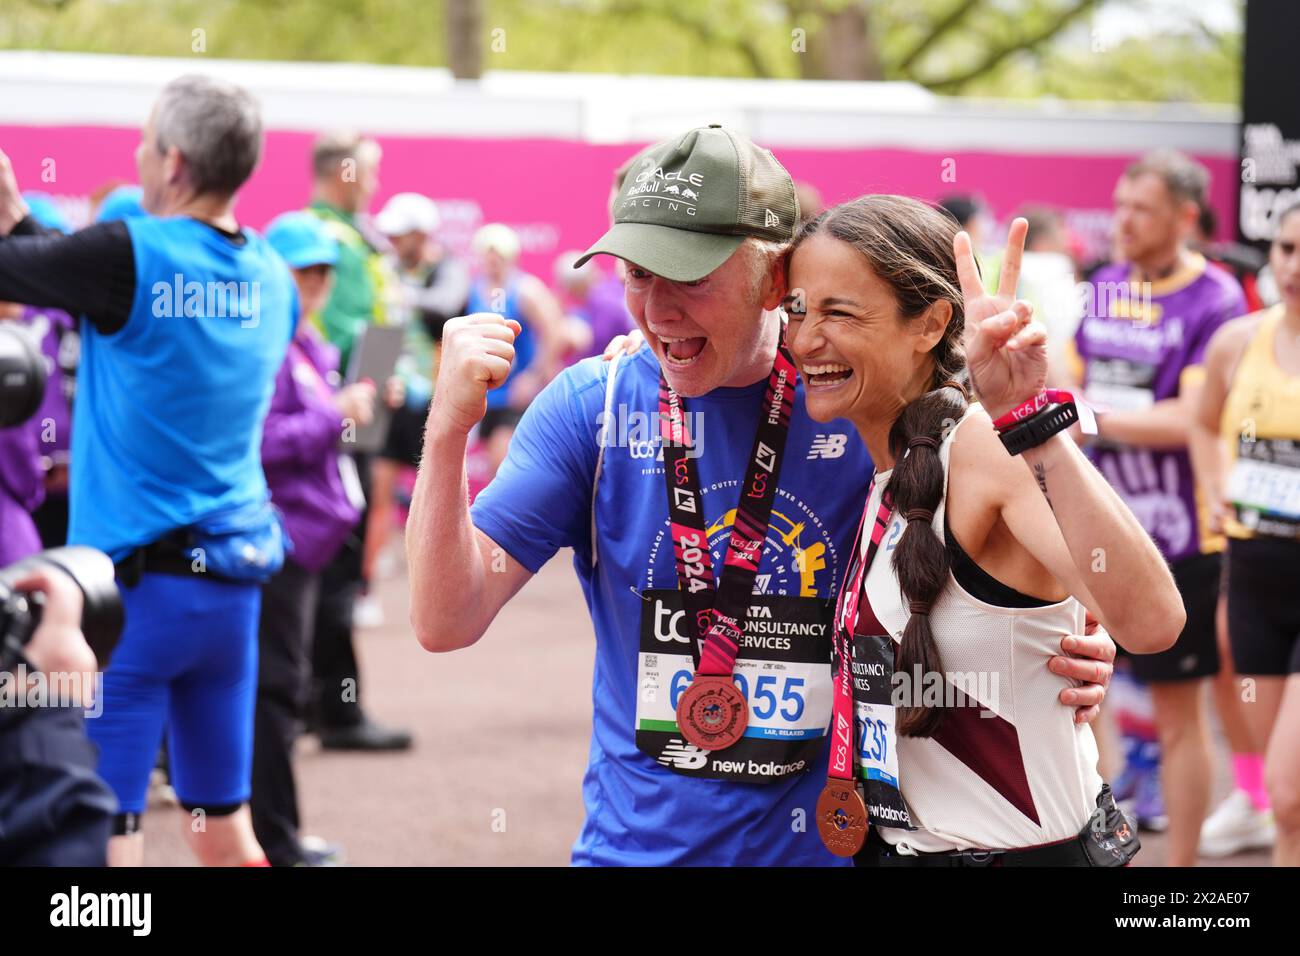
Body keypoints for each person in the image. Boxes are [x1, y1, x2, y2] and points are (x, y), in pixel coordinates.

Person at [407, 125, 1116, 866]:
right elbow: (445, 620)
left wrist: (1065, 637)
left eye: (689, 278)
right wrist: (448, 429)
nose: (658, 311)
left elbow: (1048, 567)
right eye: (638, 275)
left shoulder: (864, 403)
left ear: (775, 277)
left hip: (838, 849)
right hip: (634, 852)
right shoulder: (595, 406)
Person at [784, 196, 1180, 864]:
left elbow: (1153, 622)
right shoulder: (884, 469)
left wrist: (1031, 420)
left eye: (839, 313)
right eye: (797, 310)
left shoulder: (982, 450)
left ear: (930, 324)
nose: (803, 340)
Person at [0, 74, 296, 866]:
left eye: (143, 143)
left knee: (108, 836)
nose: (135, 157)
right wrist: (19, 220)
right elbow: (89, 277)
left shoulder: (129, 254)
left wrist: (15, 228)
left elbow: (54, 274)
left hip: (132, 601)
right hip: (232, 589)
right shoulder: (272, 275)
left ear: (173, 161)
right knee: (222, 827)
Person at [1066, 148, 1248, 865]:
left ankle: (1181, 873)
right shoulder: (1103, 286)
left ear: (1185, 217)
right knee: (1081, 699)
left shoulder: (1216, 300)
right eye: (1119, 206)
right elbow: (1067, 385)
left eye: (1141, 209)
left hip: (1179, 542)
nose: (1124, 221)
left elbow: (1192, 420)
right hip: (1094, 529)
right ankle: (1098, 848)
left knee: (1178, 716)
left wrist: (1098, 416)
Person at [252, 211, 376, 866]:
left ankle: (270, 837)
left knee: (280, 688)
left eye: (324, 273)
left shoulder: (305, 341)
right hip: (278, 540)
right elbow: (260, 445)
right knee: (273, 690)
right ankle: (273, 842)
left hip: (307, 542)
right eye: (304, 272)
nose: (317, 285)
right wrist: (335, 415)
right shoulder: (264, 344)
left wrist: (351, 409)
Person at [1190, 199, 1300, 865]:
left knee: (1288, 794)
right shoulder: (1238, 342)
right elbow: (1204, 423)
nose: (1295, 267)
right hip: (1255, 582)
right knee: (1287, 812)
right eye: (1287, 249)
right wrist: (1214, 487)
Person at [303, 131, 411, 751]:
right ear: (341, 172)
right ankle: (333, 711)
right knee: (338, 558)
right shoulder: (331, 240)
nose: (373, 183)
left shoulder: (347, 236)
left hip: (349, 407)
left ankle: (313, 705)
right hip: (341, 417)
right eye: (367, 172)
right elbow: (347, 334)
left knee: (335, 559)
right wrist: (377, 381)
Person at [365, 192, 469, 588]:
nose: (392, 241)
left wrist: (401, 294)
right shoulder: (385, 269)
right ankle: (367, 587)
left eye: (401, 234)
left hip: (436, 402)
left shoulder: (448, 268)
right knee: (378, 492)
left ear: (422, 234)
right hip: (391, 398)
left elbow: (446, 305)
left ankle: (447, 583)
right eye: (390, 235)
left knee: (441, 501)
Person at [465, 223, 568, 475]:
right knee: (493, 471)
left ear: (511, 257)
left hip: (515, 396)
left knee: (503, 468)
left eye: (499, 257)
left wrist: (533, 375)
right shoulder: (473, 289)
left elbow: (555, 331)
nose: (493, 262)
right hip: (487, 396)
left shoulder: (525, 289)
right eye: (488, 256)